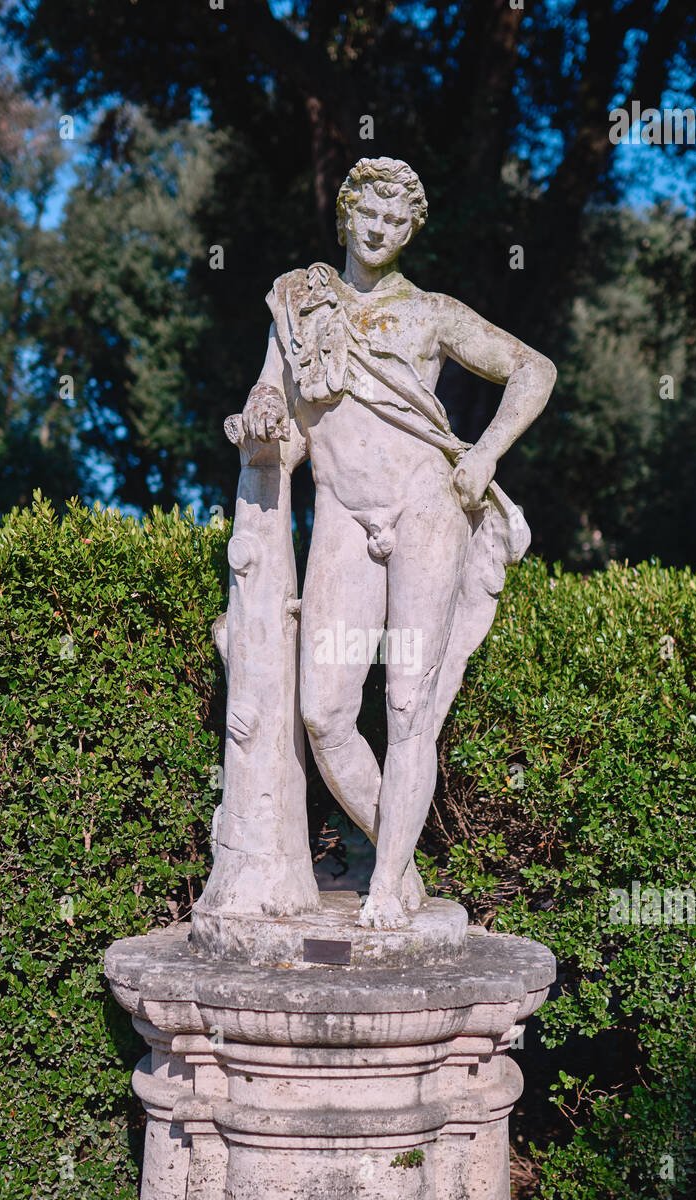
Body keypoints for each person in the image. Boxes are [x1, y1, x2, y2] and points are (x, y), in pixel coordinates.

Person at [240, 157, 556, 929]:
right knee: (324, 712)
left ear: (409, 231)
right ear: (345, 216)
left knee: (409, 704)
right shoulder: (298, 304)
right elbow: (277, 430)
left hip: (425, 510)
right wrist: (260, 427)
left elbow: (532, 369)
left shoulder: (431, 314)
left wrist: (483, 452)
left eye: (395, 221)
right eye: (368, 216)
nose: (378, 231)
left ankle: (386, 886)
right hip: (342, 513)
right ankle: (401, 855)